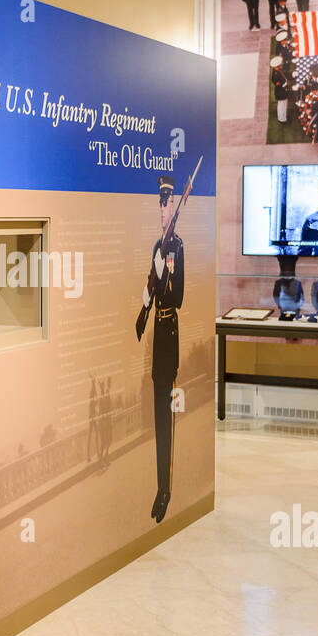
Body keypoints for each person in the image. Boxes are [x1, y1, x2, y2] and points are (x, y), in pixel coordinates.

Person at [138, 175, 184, 524]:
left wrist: (167, 272)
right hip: (156, 331)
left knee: (166, 414)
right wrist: (143, 306)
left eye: (166, 203)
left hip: (170, 331)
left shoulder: (176, 247)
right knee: (157, 413)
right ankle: (157, 486)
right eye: (159, 203)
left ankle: (166, 490)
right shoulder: (158, 245)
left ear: (174, 208)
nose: (162, 209)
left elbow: (175, 297)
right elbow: (149, 289)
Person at [271, 55, 289, 123]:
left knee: (284, 104)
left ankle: (284, 117)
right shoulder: (276, 74)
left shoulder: (278, 71)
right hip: (280, 91)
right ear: (276, 67)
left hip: (282, 91)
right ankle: (281, 118)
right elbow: (278, 83)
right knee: (281, 105)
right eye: (280, 65)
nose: (281, 66)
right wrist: (284, 84)